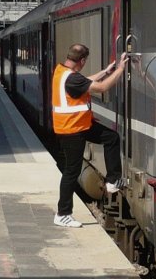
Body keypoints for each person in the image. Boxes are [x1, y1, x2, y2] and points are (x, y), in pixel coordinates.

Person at [52, 43, 128, 228]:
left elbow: (85, 81)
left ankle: (112, 181)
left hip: (80, 126)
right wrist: (119, 70)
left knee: (111, 138)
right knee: (72, 172)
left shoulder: (62, 71)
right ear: (83, 60)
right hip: (72, 130)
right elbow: (101, 88)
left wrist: (105, 71)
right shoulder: (72, 79)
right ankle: (62, 213)